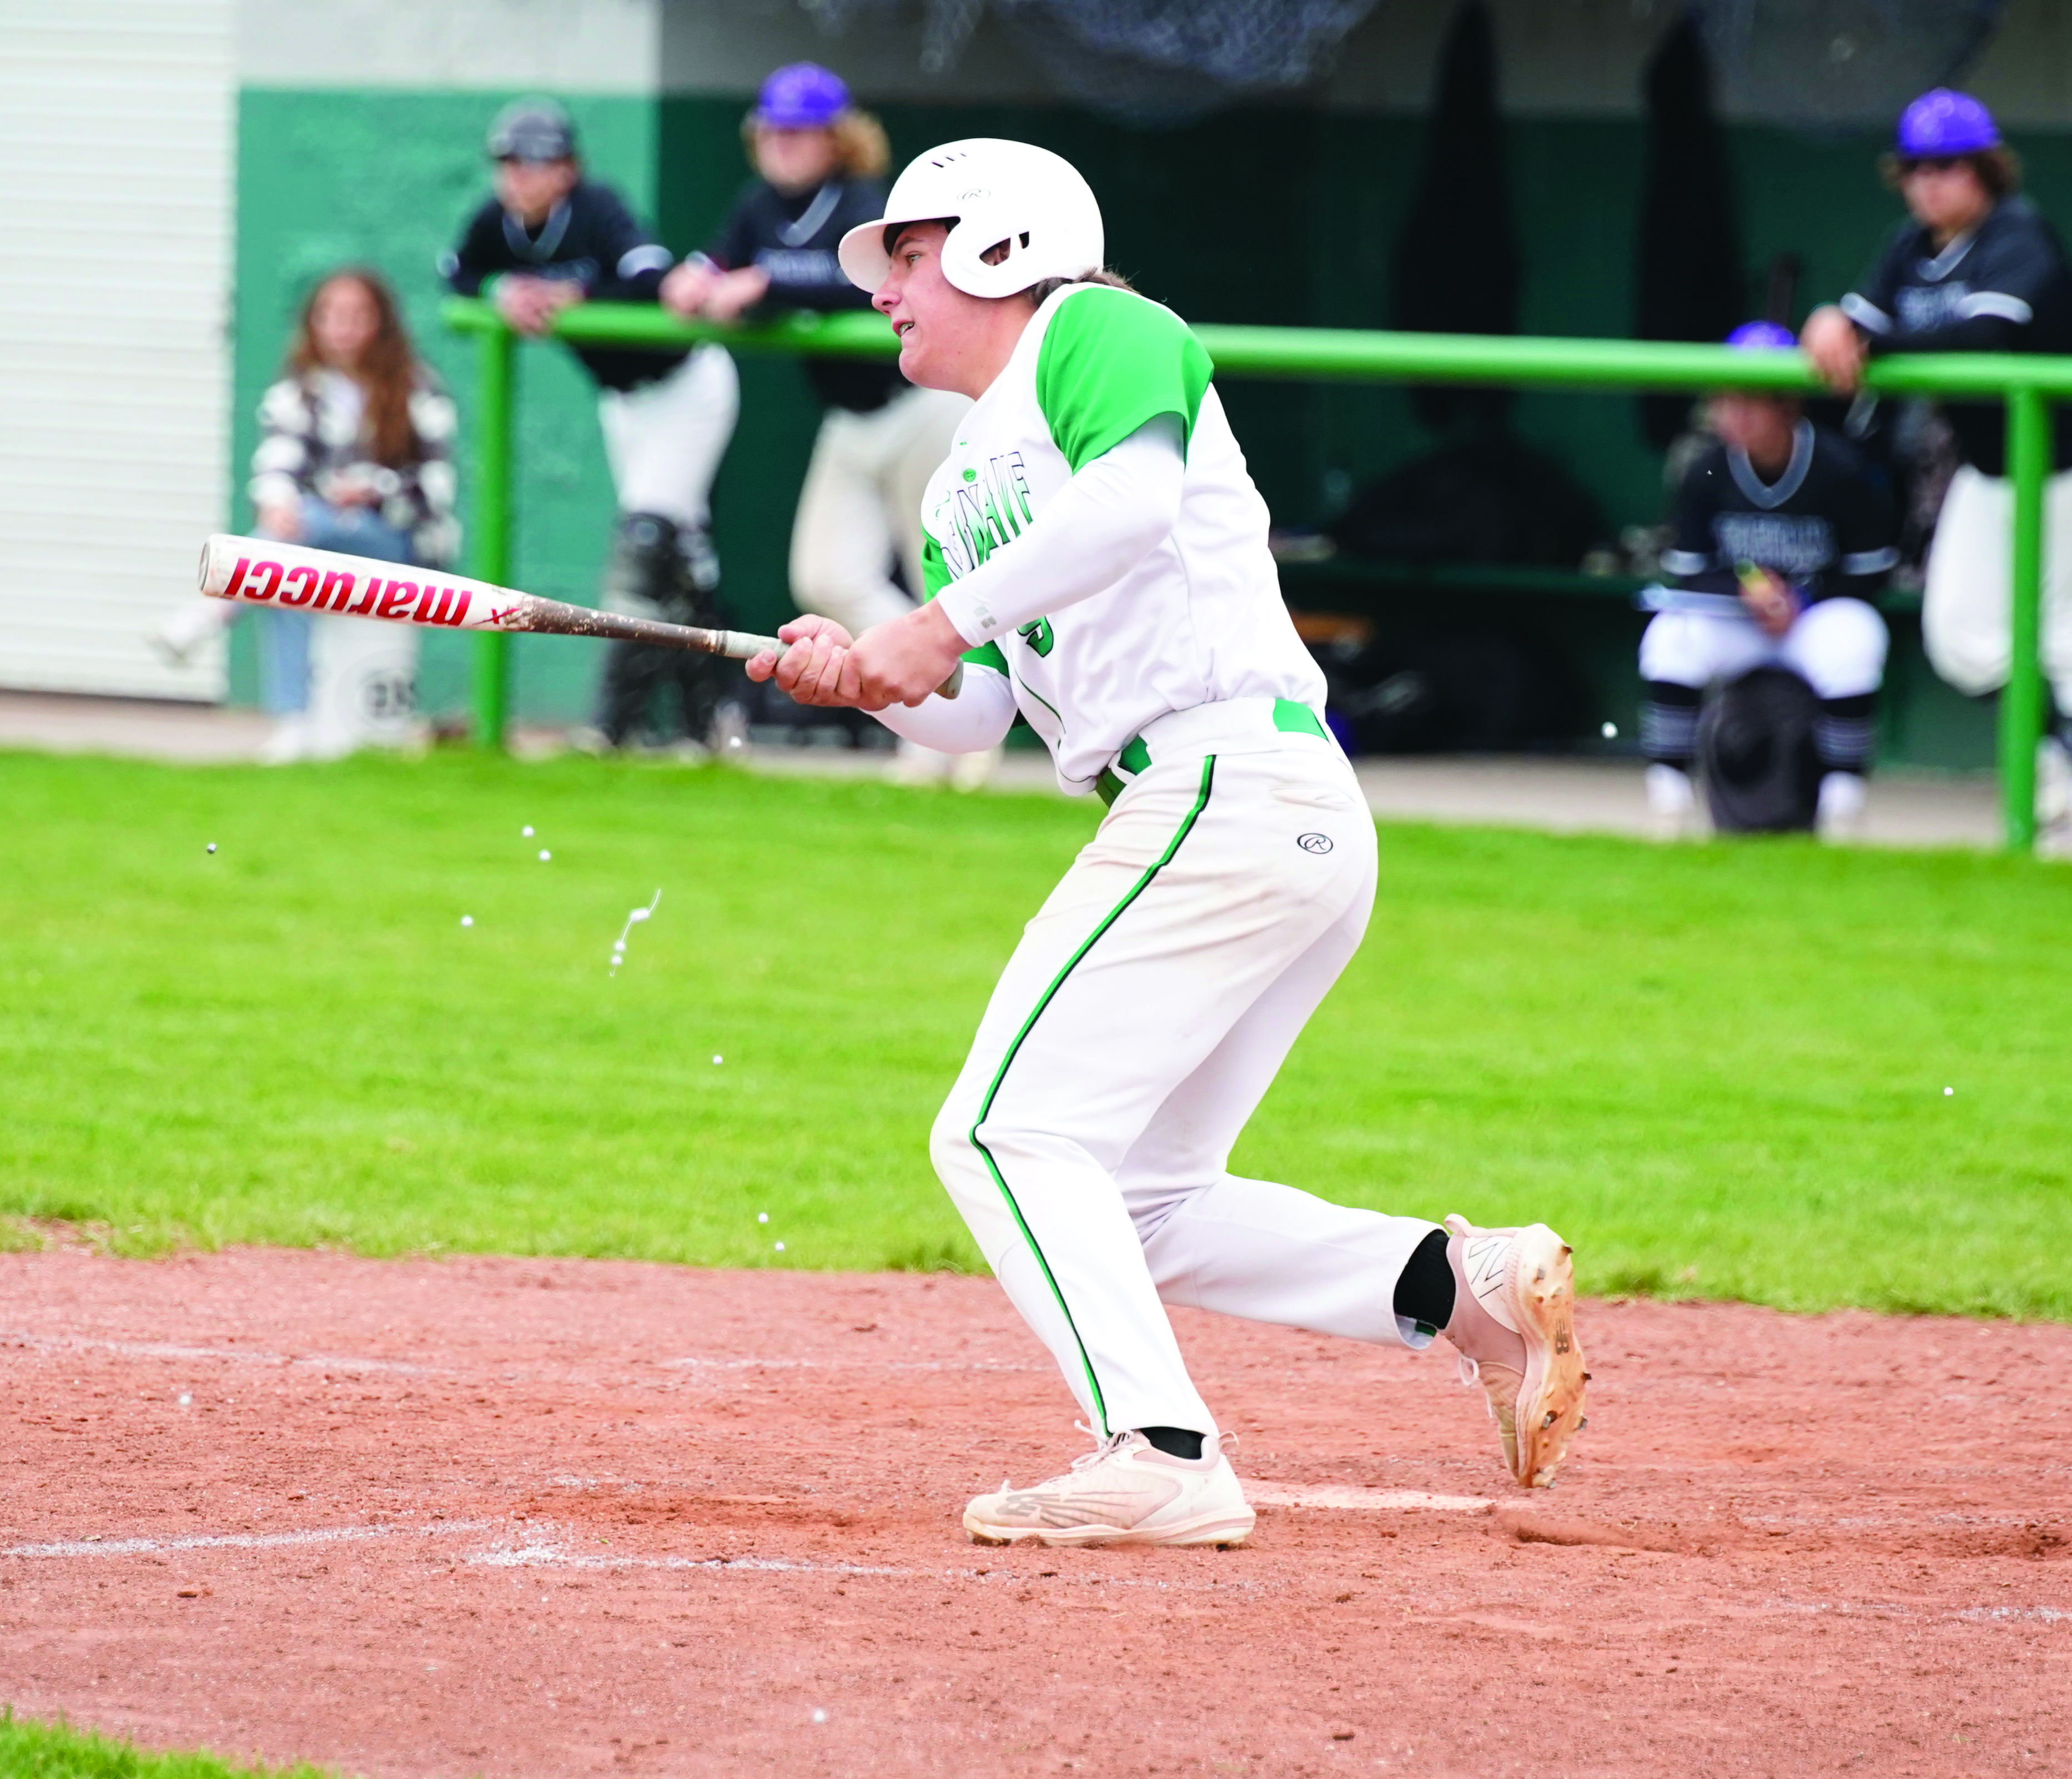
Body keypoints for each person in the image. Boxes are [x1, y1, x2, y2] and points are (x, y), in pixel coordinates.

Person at [750, 138, 1588, 1548]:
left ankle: (1162, 1449)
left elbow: (1129, 504)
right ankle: (1463, 1286)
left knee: (1002, 1132)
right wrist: (870, 671)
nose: (884, 288)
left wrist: (932, 624)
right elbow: (977, 713)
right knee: (1131, 1196)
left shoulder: (1098, 326)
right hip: (1244, 812)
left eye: (907, 253)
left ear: (999, 247)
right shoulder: (962, 485)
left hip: (1226, 784)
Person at [663, 65, 989, 786]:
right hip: (851, 418)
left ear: (838, 139)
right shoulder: (757, 206)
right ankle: (948, 696)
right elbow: (716, 261)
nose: (785, 145)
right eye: (774, 131)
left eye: (802, 132)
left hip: (922, 407)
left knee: (940, 579)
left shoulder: (863, 202)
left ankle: (951, 743)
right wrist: (692, 279)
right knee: (825, 575)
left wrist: (765, 286)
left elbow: (862, 281)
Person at [1801, 88, 2072, 848]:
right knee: (1960, 639)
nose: (1929, 183)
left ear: (1986, 171)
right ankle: (2055, 758)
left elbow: (1984, 339)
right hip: (1991, 471)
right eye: (1916, 168)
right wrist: (1832, 321)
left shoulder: (2021, 235)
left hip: (2065, 471)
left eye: (1948, 166)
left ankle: (2057, 802)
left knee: (2067, 647)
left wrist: (1870, 345)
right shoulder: (1906, 247)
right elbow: (1859, 322)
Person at [441, 99, 741, 751]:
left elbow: (650, 278)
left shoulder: (597, 206)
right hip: (624, 400)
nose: (521, 176)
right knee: (682, 555)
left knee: (644, 541)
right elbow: (456, 272)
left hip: (685, 385)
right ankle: (713, 724)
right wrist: (502, 292)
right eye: (509, 162)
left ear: (568, 168)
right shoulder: (500, 222)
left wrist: (577, 295)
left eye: (538, 162)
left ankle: (611, 727)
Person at [153, 268, 459, 762]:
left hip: (398, 543)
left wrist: (372, 490)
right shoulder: (299, 393)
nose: (345, 328)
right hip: (312, 538)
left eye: (359, 316)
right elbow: (276, 468)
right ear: (313, 323)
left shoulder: (417, 389)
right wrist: (278, 503)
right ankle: (295, 722)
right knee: (285, 567)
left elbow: (434, 489)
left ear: (382, 323)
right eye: (332, 316)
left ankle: (215, 606)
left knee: (296, 538)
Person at [1640, 321, 1899, 840]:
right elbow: (1689, 573)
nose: (1734, 414)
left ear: (1789, 404)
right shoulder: (1708, 469)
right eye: (1727, 399)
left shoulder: (1839, 466)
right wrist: (1744, 588)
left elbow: (1870, 574)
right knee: (1670, 637)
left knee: (1857, 639)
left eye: (1752, 400)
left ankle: (1841, 809)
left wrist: (1801, 596)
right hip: (1739, 621)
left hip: (1813, 617)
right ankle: (1668, 805)